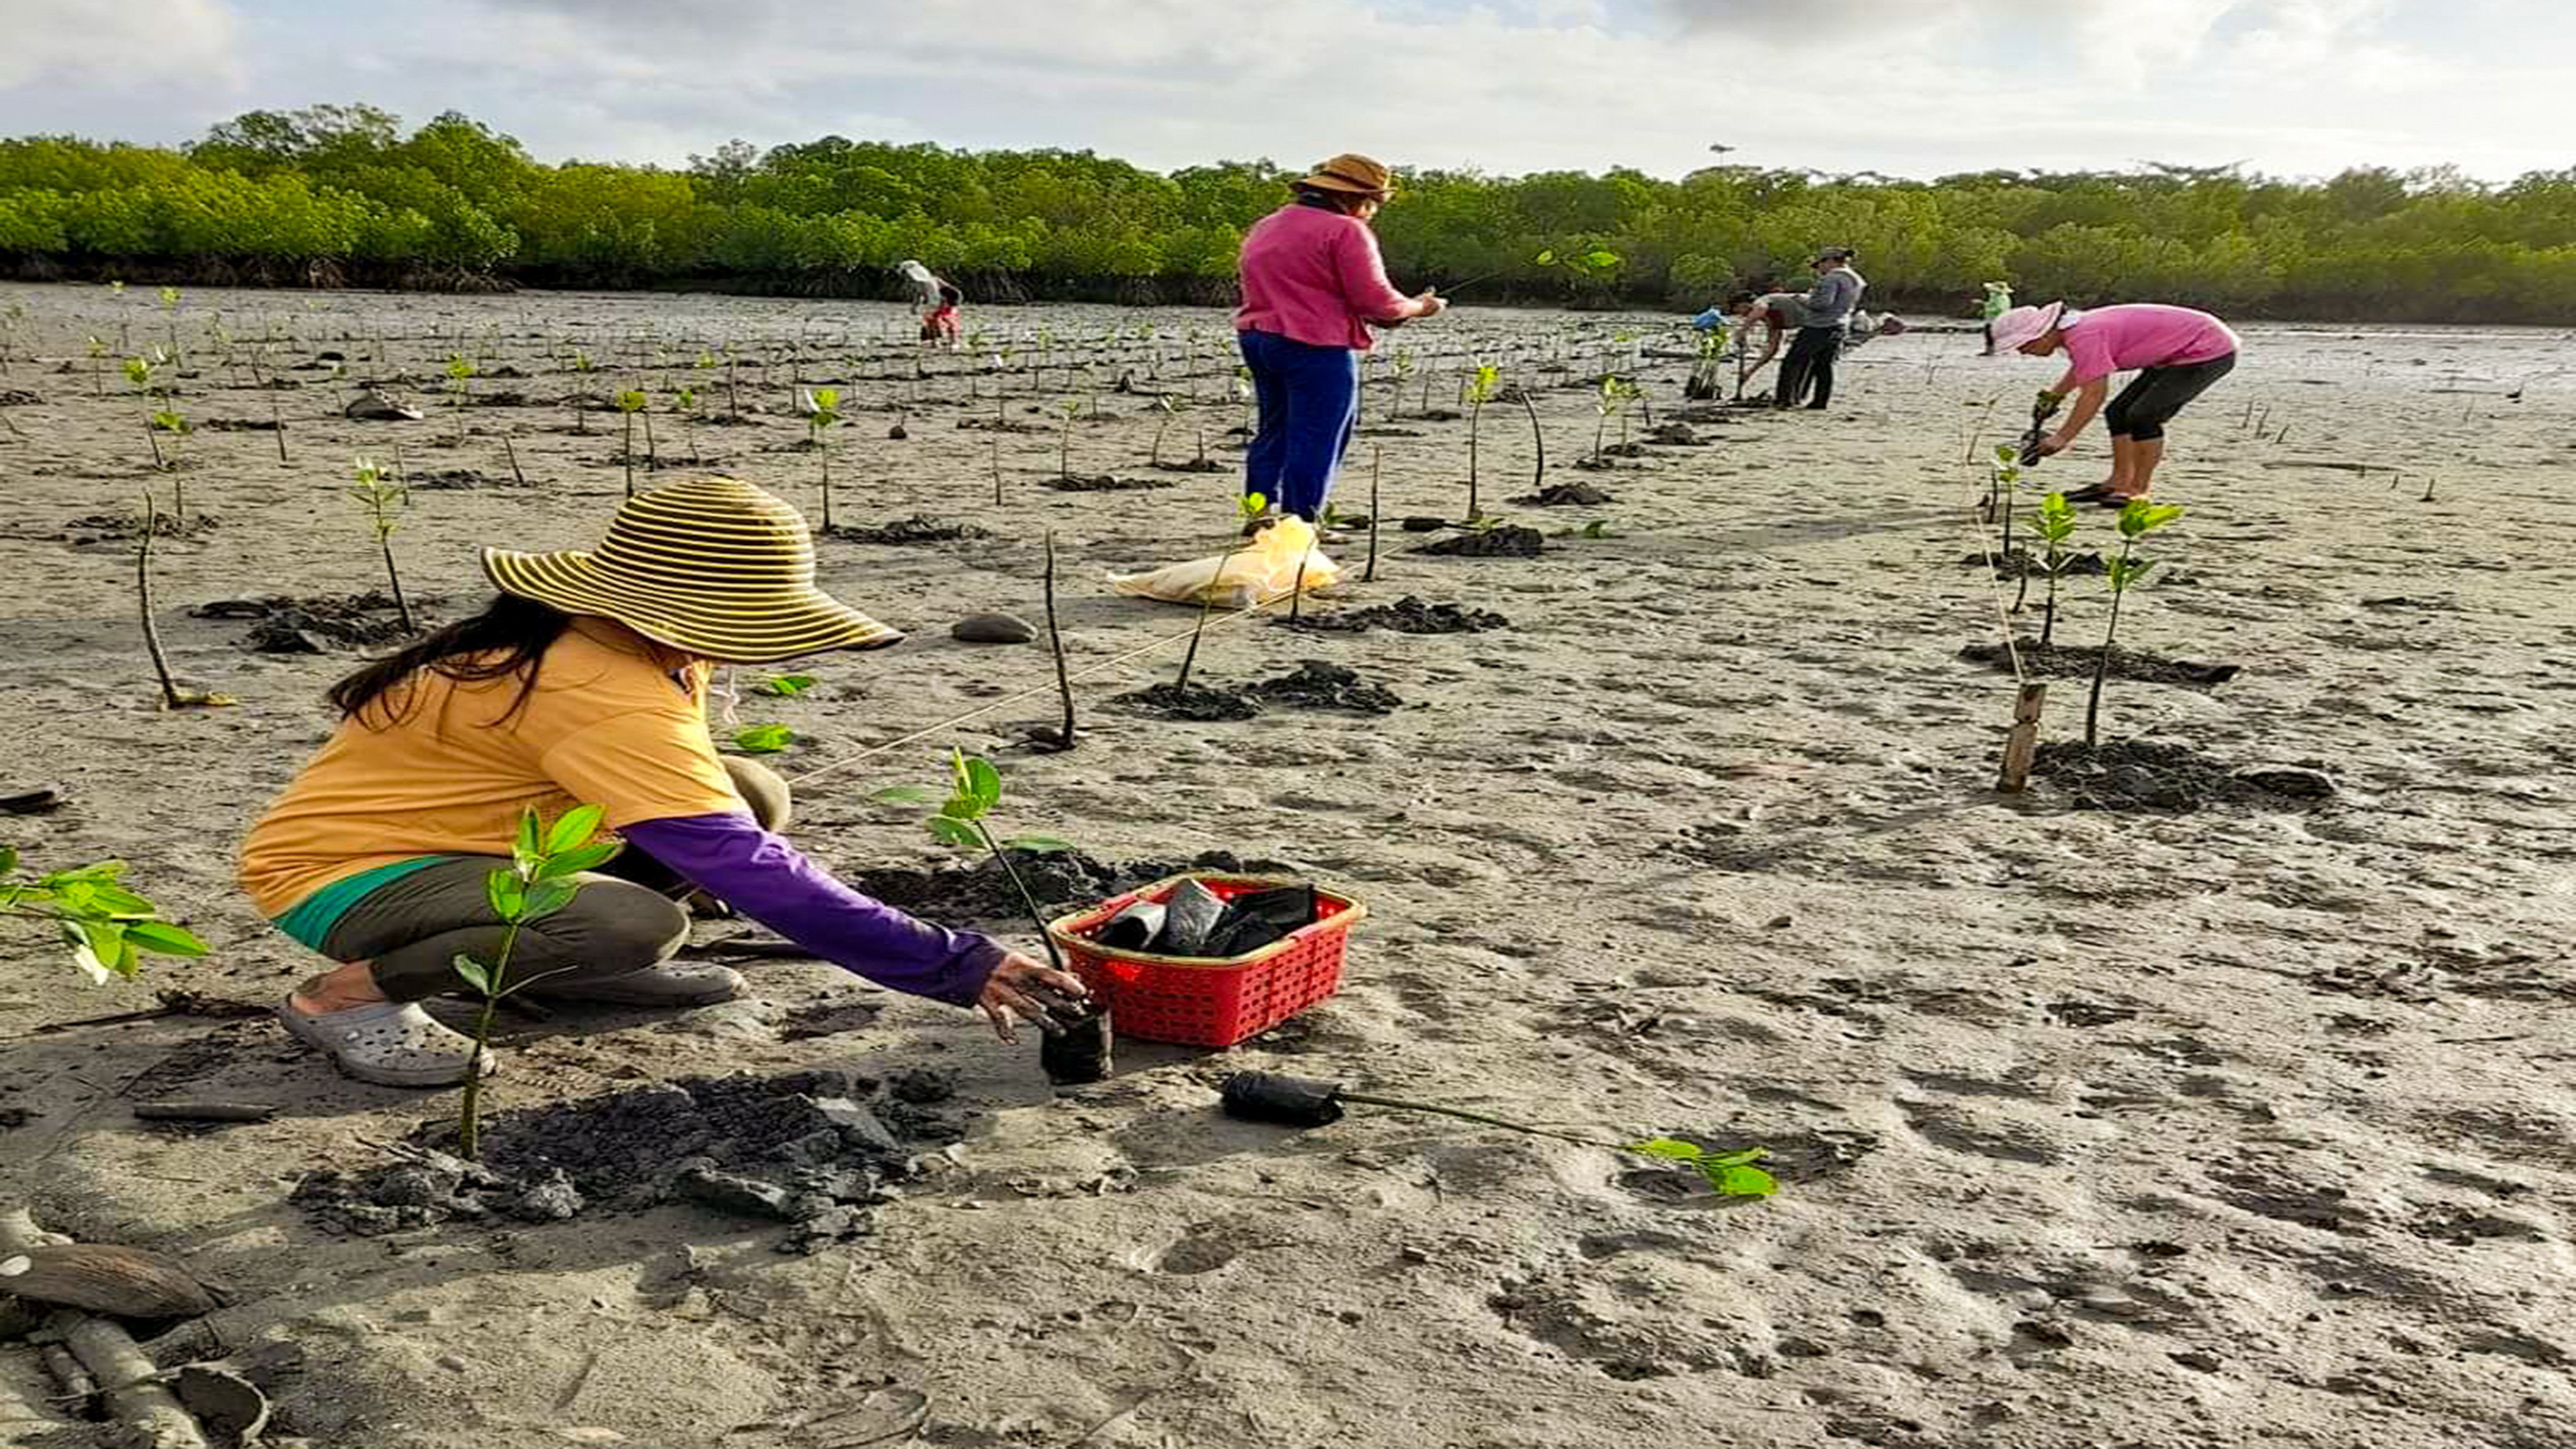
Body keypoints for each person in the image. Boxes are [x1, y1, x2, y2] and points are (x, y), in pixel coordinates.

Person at [238, 477, 1091, 1087]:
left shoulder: (607, 635)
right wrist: (952, 962)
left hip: (481, 847)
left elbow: (715, 820)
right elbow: (746, 869)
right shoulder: (594, 686)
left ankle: (569, 968)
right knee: (633, 922)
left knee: (748, 790)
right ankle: (343, 998)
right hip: (346, 878)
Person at [1234, 153, 1445, 522]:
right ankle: (1301, 523)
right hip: (1315, 347)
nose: (1373, 212)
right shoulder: (1346, 230)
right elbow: (1377, 301)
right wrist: (1421, 307)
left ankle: (1259, 513)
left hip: (1258, 339)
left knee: (1274, 430)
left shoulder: (1268, 225)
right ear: (1354, 198)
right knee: (1318, 436)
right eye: (1374, 203)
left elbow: (1311, 288)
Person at [1988, 301, 2241, 506]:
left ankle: (2139, 490)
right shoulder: (2075, 332)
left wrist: (2061, 438)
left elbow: (2093, 394)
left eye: (2022, 345)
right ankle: (2118, 482)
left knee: (2144, 415)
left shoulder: (2084, 335)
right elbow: (2086, 368)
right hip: (2175, 354)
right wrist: (2054, 396)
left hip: (2207, 350)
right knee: (2118, 412)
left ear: (2042, 334)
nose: (2021, 351)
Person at [1776, 246, 1867, 412]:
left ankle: (1785, 400)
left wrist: (1803, 299)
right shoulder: (1856, 279)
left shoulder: (1831, 279)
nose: (1819, 270)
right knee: (1824, 366)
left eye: (1820, 265)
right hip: (1841, 324)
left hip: (1819, 326)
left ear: (1830, 261)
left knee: (1792, 362)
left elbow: (1822, 304)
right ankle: (1820, 402)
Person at [1726, 288, 1810, 399]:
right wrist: (1750, 372)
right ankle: (1795, 398)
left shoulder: (1762, 301)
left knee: (1793, 363)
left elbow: (1761, 309)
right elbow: (1772, 349)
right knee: (1799, 363)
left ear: (1744, 304)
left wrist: (1742, 331)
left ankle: (1787, 399)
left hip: (1821, 321)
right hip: (1813, 326)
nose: (1741, 315)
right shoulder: (1772, 320)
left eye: (1738, 310)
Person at [921, 281, 963, 348]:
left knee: (951, 324)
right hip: (940, 308)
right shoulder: (933, 288)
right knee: (933, 322)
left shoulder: (936, 284)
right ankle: (934, 341)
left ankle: (954, 341)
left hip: (946, 306)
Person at [1980, 281, 2014, 354]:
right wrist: (1984, 304)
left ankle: (1990, 351)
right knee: (1992, 335)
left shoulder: (2000, 298)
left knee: (1990, 335)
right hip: (1999, 319)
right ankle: (1998, 351)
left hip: (1996, 319)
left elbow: (2000, 308)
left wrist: (1988, 309)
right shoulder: (2000, 297)